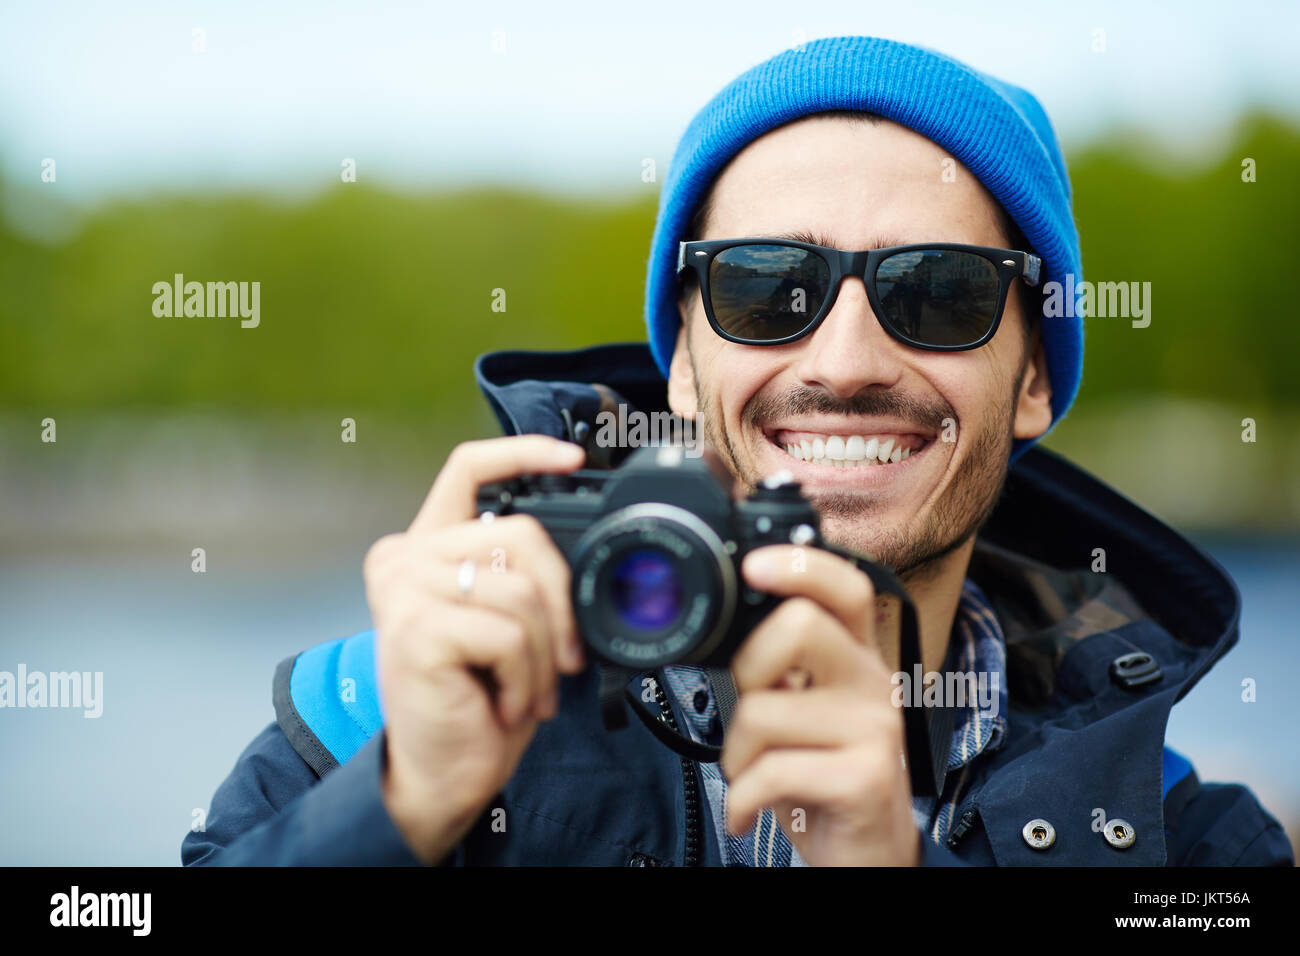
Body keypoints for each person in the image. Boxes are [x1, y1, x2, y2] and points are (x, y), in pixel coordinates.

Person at [182, 35, 1294, 866]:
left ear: (1035, 376)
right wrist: (400, 801)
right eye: (767, 289)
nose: (847, 357)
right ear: (680, 361)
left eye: (941, 292)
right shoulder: (392, 705)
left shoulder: (1176, 835)